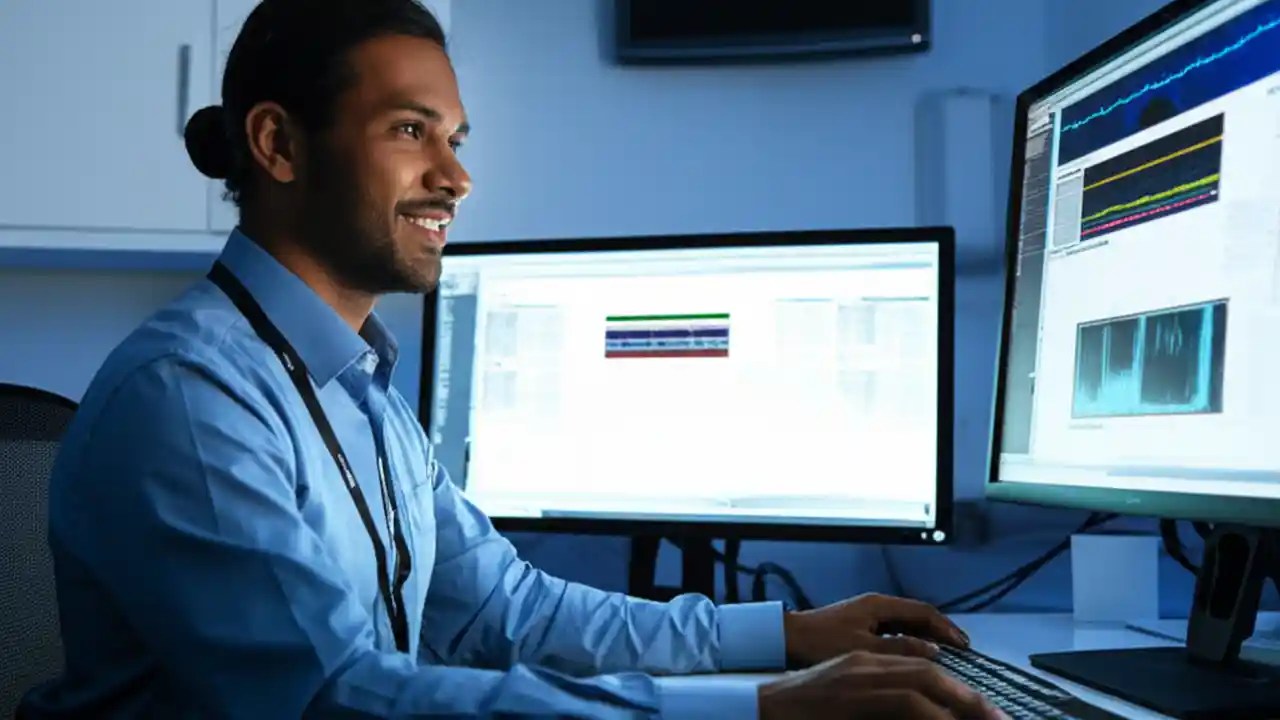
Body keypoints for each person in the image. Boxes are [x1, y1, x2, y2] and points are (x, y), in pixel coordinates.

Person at [17, 1, 1006, 718]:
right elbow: (327, 698)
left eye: (453, 137)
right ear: (278, 144)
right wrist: (764, 708)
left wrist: (784, 638)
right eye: (410, 131)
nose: (455, 176)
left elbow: (498, 606)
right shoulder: (192, 398)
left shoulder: (354, 386)